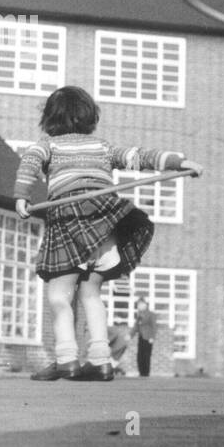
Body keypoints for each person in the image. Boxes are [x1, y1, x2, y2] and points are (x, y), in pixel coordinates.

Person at [15, 86, 201, 382]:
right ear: (90, 117)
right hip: (103, 221)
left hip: (68, 219)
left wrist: (22, 196)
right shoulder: (102, 147)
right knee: (91, 293)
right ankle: (101, 360)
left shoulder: (47, 145)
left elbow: (29, 163)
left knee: (59, 296)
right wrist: (178, 162)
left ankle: (66, 360)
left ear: (50, 119)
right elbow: (138, 156)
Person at [130, 297, 157, 377]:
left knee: (146, 356)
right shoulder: (139, 315)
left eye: (140, 304)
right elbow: (136, 327)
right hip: (141, 337)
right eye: (138, 305)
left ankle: (146, 373)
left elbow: (154, 327)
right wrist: (130, 335)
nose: (139, 306)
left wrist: (152, 337)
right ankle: (141, 373)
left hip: (148, 338)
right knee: (140, 356)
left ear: (145, 304)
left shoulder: (151, 314)